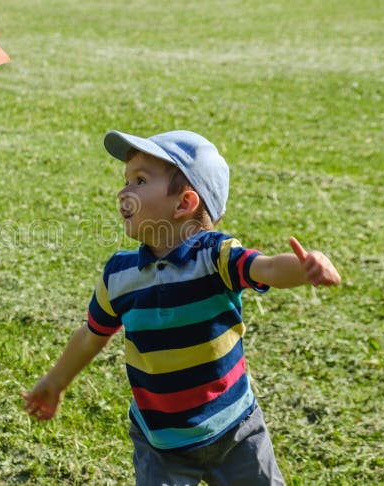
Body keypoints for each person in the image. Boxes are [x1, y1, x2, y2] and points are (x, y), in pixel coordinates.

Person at [22, 130, 341, 485]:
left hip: (236, 430)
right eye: (125, 180)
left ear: (184, 204)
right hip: (161, 445)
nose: (123, 192)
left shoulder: (215, 257)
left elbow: (264, 267)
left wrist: (304, 267)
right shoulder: (120, 274)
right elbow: (91, 335)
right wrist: (56, 380)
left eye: (140, 180)